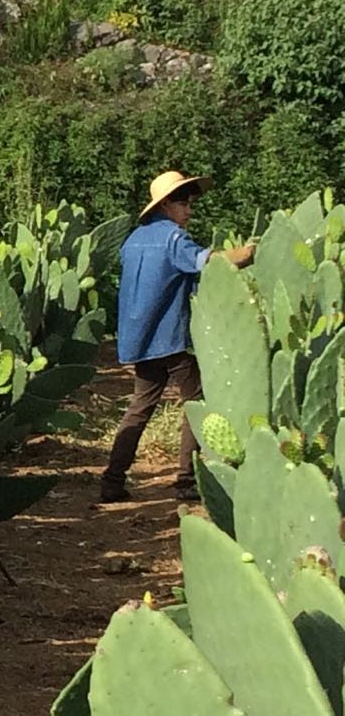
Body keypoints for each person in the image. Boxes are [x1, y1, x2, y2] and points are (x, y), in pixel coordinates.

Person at [99, 170, 255, 504]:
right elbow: (208, 263)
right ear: (166, 204)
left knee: (140, 406)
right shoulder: (173, 239)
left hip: (139, 338)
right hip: (167, 337)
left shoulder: (134, 239)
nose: (190, 209)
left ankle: (112, 480)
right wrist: (250, 253)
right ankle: (187, 480)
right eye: (184, 202)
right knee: (197, 401)